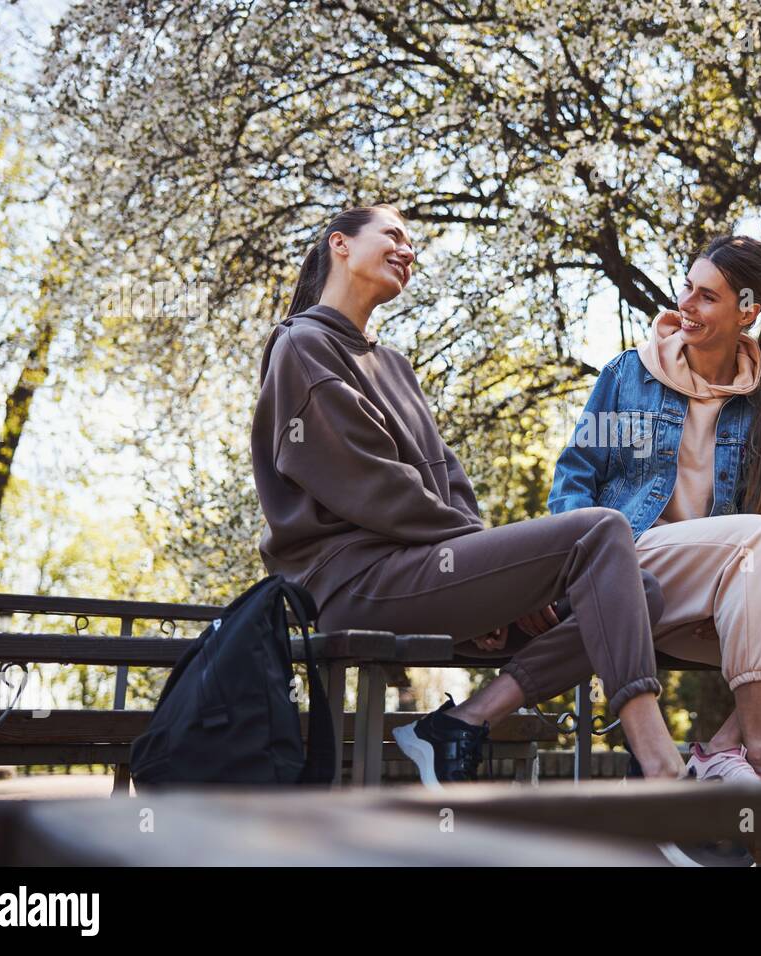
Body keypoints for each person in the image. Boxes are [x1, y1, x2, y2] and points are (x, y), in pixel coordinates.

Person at [250, 203, 684, 786]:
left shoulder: (394, 366)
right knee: (600, 528)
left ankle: (464, 722)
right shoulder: (301, 347)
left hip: (421, 573)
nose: (407, 250)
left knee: (641, 590)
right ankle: (661, 768)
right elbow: (369, 483)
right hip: (352, 583)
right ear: (341, 244)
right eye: (393, 235)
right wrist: (484, 569)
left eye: (412, 243)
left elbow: (447, 481)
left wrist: (488, 581)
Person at [549, 235, 761, 783]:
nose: (685, 306)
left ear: (748, 310)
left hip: (713, 603)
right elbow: (574, 477)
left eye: (706, 297)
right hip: (631, 573)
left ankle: (720, 751)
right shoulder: (630, 374)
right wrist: (569, 575)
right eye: (687, 288)